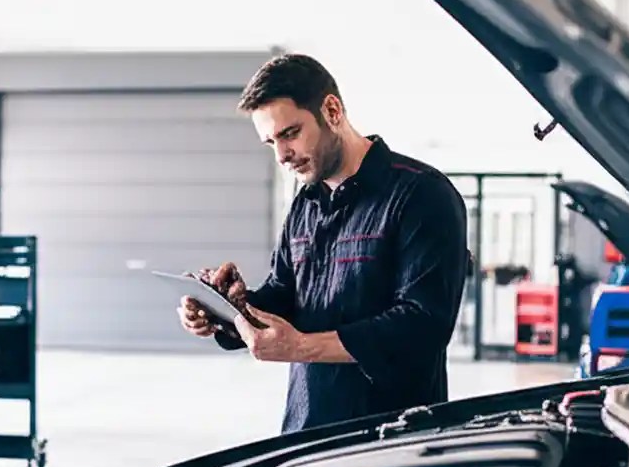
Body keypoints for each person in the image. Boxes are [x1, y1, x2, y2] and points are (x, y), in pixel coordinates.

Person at [176, 53, 470, 433]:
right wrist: (229, 310)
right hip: (305, 435)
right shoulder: (305, 205)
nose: (281, 155)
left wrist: (301, 347)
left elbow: (422, 325)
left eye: (290, 134)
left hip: (394, 439)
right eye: (270, 143)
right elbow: (287, 297)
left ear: (332, 110)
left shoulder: (422, 195)